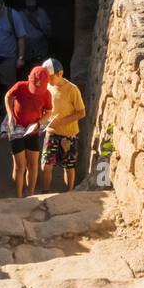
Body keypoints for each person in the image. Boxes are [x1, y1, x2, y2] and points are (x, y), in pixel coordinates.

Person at [2, 65, 53, 197]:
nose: (36, 91)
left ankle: (30, 194)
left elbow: (48, 112)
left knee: (33, 164)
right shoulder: (20, 86)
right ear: (29, 79)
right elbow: (8, 96)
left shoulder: (47, 94)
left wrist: (40, 122)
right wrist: (10, 114)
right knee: (20, 166)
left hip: (33, 129)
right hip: (17, 127)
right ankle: (18, 197)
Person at [38, 58, 85, 192]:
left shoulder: (72, 90)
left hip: (69, 135)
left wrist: (62, 122)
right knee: (46, 166)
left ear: (60, 74)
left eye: (50, 77)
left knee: (68, 167)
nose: (48, 80)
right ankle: (45, 192)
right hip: (51, 132)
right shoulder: (47, 86)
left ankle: (69, 193)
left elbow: (81, 113)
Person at [20, 0, 52, 65]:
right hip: (27, 48)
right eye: (29, 7)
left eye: (33, 7)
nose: (31, 9)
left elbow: (48, 29)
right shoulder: (20, 15)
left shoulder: (42, 13)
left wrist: (46, 35)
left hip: (40, 47)